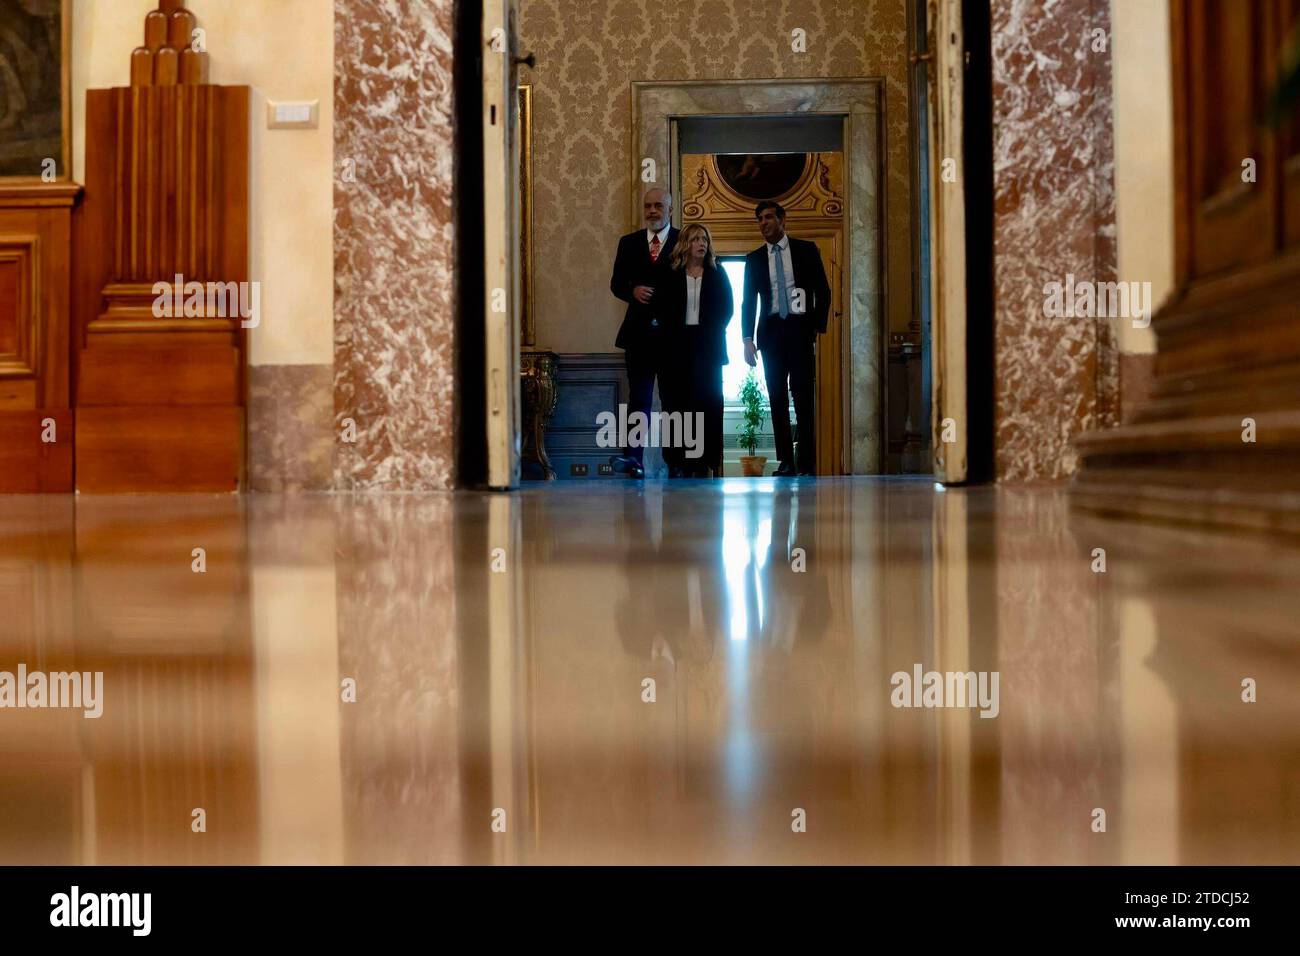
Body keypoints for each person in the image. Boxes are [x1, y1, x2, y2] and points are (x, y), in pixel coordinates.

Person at [740, 201, 831, 477]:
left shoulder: (806, 250)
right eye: (759, 219)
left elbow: (823, 292)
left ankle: (806, 461)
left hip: (800, 333)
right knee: (777, 398)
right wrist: (747, 339)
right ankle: (786, 462)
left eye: (768, 217)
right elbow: (748, 302)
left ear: (782, 220)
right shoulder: (754, 258)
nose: (763, 223)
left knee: (803, 397)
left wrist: (816, 327)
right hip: (770, 337)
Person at [608, 187, 678, 479]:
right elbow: (616, 284)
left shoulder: (682, 241)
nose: (652, 211)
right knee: (639, 400)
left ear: (669, 210)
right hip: (638, 336)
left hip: (673, 337)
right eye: (648, 206)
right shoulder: (629, 243)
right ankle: (633, 459)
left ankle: (676, 461)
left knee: (674, 400)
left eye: (658, 206)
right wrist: (632, 290)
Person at [656, 223, 733, 478]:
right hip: (675, 348)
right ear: (685, 244)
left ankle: (703, 460)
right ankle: (676, 460)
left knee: (706, 404)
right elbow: (662, 310)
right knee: (676, 405)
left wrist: (707, 332)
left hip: (708, 347)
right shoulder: (670, 274)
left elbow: (727, 309)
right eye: (696, 239)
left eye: (705, 239)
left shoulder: (717, 273)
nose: (701, 244)